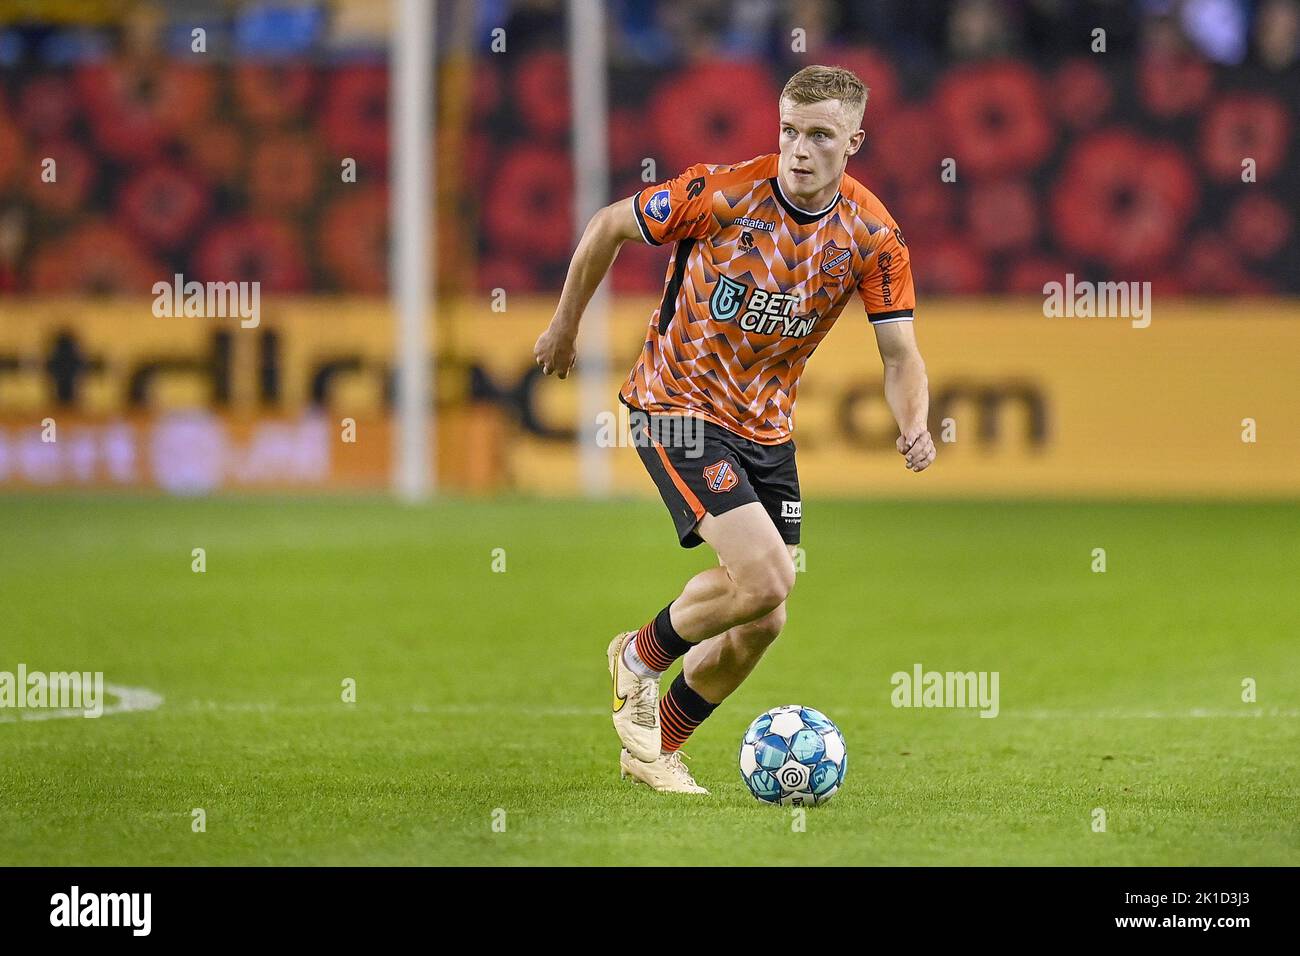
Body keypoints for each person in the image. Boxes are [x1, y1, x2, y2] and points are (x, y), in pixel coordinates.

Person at [533, 64, 935, 793]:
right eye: (789, 131)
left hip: (765, 431)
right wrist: (564, 327)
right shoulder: (721, 195)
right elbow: (607, 228)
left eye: (819, 135)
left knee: (763, 619)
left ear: (854, 141)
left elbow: (901, 353)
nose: (800, 149)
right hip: (675, 407)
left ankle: (655, 750)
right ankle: (637, 657)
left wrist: (914, 424)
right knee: (766, 575)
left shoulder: (873, 237)